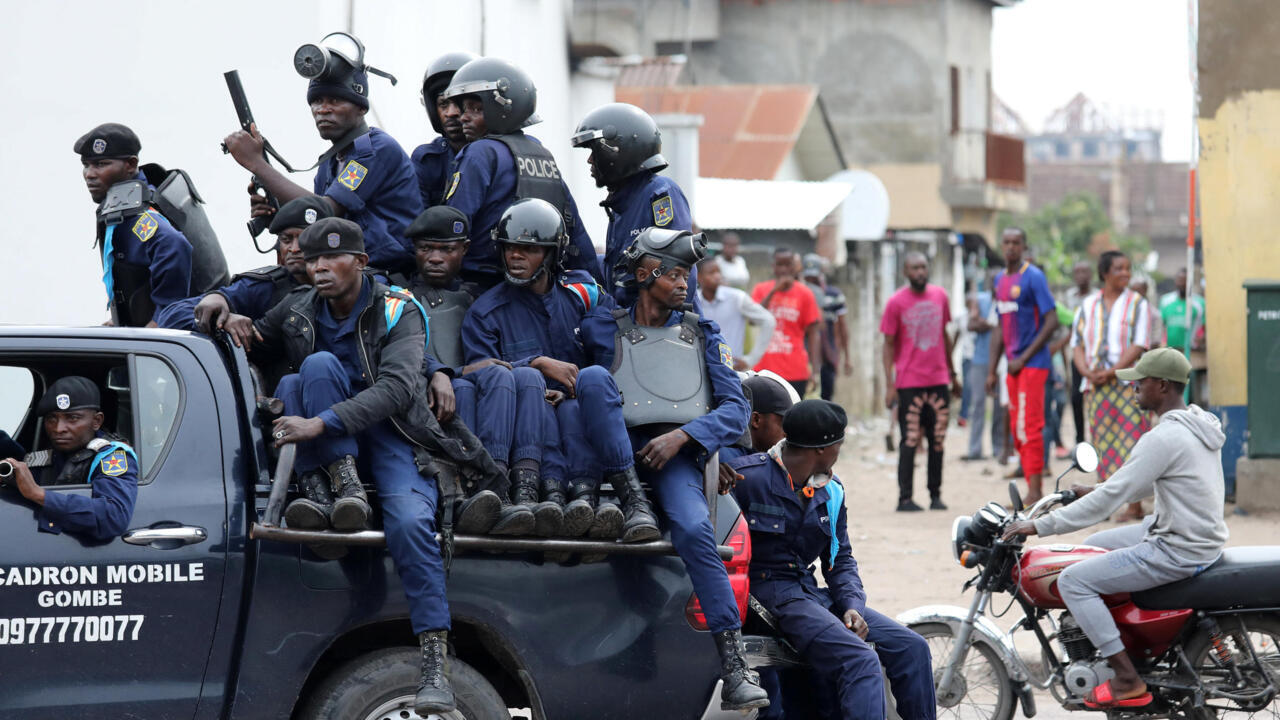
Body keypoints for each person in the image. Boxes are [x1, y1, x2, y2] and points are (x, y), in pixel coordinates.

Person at [249, 217, 460, 714]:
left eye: (331, 258)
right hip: (330, 450)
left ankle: (435, 660)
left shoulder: (397, 309)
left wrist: (319, 424)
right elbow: (249, 337)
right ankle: (341, 492)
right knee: (314, 369)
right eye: (313, 259)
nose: (319, 267)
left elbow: (398, 389)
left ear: (361, 263)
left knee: (411, 523)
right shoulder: (298, 307)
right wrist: (215, 307)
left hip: (392, 433)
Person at [575, 227, 769, 711]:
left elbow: (733, 409)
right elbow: (583, 388)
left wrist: (685, 437)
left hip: (675, 456)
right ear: (644, 276)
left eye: (688, 274)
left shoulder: (703, 334)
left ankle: (733, 665)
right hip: (609, 457)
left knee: (694, 529)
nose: (686, 283)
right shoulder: (601, 328)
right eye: (675, 274)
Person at [1003, 348, 1226, 710]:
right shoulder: (1197, 424)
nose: (1133, 386)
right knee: (1095, 544)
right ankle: (1126, 642)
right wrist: (1095, 488)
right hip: (1193, 536)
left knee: (1073, 580)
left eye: (1141, 380)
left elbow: (1110, 502)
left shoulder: (1163, 437)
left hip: (1178, 548)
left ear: (1163, 386)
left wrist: (1039, 525)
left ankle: (1127, 677)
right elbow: (1136, 484)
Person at [728, 400, 935, 720]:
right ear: (824, 450)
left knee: (912, 648)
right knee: (860, 661)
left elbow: (840, 561)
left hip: (809, 595)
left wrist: (852, 604)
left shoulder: (832, 491)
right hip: (768, 597)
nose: (839, 452)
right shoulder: (748, 479)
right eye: (839, 445)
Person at [462, 199, 620, 538]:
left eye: (529, 249)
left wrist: (578, 389)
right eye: (509, 248)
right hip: (524, 423)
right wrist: (534, 365)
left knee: (575, 411)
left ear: (551, 254)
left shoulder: (584, 292)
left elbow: (615, 349)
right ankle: (535, 500)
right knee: (538, 396)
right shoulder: (486, 312)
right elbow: (480, 375)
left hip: (584, 414)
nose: (515, 256)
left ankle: (588, 502)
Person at [224, 33, 420, 274]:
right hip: (345, 270)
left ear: (360, 107)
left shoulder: (374, 149)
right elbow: (314, 220)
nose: (323, 110)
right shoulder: (330, 162)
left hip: (387, 274)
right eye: (316, 101)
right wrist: (278, 211)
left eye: (335, 100)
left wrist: (259, 165)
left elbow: (323, 213)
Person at [397, 205, 539, 536]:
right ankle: (477, 488)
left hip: (480, 401)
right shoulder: (395, 295)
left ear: (465, 250)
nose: (434, 258)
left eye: (446, 249)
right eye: (425, 248)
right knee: (466, 387)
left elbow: (499, 363)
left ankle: (499, 486)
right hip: (420, 407)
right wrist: (444, 372)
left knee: (498, 381)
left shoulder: (480, 300)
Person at [442, 57, 601, 290]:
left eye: (476, 108)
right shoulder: (542, 153)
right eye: (464, 109)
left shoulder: (479, 153)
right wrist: (597, 289)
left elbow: (453, 225)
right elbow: (574, 231)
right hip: (542, 287)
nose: (463, 117)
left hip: (482, 288)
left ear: (502, 108)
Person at [572, 102, 696, 306]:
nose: (590, 161)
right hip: (631, 330)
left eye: (595, 152)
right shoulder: (621, 205)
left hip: (661, 330)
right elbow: (617, 273)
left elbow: (679, 270)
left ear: (616, 151)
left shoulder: (659, 193)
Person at [157, 196, 331, 339]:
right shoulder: (267, 286)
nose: (294, 248)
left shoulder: (350, 282)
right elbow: (172, 317)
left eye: (303, 240)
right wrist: (220, 320)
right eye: (286, 240)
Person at [77, 123, 197, 327]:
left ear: (131, 165)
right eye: (86, 165)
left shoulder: (141, 215)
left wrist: (159, 321)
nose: (89, 174)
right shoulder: (119, 206)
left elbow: (174, 244)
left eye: (101, 164)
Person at [0, 377, 138, 542]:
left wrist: (38, 494)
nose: (59, 429)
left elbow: (113, 517)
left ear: (97, 421)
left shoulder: (111, 457)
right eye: (52, 419)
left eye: (72, 418)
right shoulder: (43, 457)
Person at [1070, 250, 1152, 522]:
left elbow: (1139, 343)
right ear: (1104, 273)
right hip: (1095, 385)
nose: (1125, 274)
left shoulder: (1138, 304)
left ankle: (1134, 506)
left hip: (1128, 384)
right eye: (1118, 269)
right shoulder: (1087, 305)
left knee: (1133, 444)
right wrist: (1087, 371)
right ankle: (1103, 503)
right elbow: (1077, 345)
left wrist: (1112, 371)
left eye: (1127, 268)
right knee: (1102, 444)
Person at [881, 251, 959, 512]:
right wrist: (890, 385)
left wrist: (953, 374)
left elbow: (945, 337)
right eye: (914, 268)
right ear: (905, 271)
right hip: (909, 382)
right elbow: (888, 345)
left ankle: (935, 495)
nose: (920, 272)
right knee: (910, 440)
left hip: (938, 379)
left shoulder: (940, 296)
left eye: (923, 267)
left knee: (937, 441)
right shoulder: (895, 302)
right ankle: (905, 498)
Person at [986, 228, 1059, 506]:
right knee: (1018, 429)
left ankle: (1035, 492)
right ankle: (1031, 486)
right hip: (1013, 367)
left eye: (1016, 242)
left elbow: (1051, 321)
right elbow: (998, 328)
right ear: (1001, 245)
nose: (1011, 247)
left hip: (1033, 365)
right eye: (1006, 242)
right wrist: (993, 369)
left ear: (1024, 246)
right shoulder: (1000, 280)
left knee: (1030, 426)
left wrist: (1024, 358)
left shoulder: (1034, 277)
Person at [752, 248, 822, 397]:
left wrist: (815, 371)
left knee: (792, 417)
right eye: (779, 264)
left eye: (788, 264)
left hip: (795, 372)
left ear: (794, 266)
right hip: (764, 370)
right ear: (773, 266)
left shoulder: (805, 294)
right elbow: (753, 320)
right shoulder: (761, 290)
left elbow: (814, 334)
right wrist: (774, 291)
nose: (784, 269)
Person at [412, 51, 478, 208]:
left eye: (459, 103)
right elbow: (414, 219)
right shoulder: (428, 160)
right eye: (443, 104)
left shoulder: (497, 155)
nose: (451, 113)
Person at [697, 258, 776, 371]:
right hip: (701, 369)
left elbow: (768, 321)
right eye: (711, 273)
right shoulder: (693, 301)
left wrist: (751, 360)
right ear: (699, 277)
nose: (717, 276)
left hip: (732, 370)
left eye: (718, 272)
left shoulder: (737, 298)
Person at [801, 254, 852, 401]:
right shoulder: (801, 294)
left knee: (826, 394)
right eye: (808, 278)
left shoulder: (833, 295)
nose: (811, 281)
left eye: (814, 277)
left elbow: (842, 326)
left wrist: (846, 357)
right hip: (806, 352)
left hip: (827, 352)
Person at [963, 273, 1002, 461]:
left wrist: (986, 324)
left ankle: (998, 448)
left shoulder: (1008, 301)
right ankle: (975, 450)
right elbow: (971, 324)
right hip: (980, 361)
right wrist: (991, 325)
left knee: (999, 407)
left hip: (1003, 363)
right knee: (978, 404)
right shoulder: (981, 300)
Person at [1064, 260, 1093, 447]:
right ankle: (1080, 440)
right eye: (1077, 272)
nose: (1081, 275)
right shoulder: (1069, 297)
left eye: (1084, 271)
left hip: (1093, 355)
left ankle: (1096, 439)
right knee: (1075, 397)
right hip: (1075, 354)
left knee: (1092, 397)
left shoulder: (1096, 297)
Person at [1159, 267, 1205, 352]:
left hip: (1192, 352)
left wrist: (1201, 339)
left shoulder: (1200, 303)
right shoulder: (1165, 301)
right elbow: (1160, 326)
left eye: (1185, 281)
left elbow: (1206, 327)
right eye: (1180, 281)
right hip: (1169, 350)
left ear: (1191, 282)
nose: (1182, 284)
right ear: (1176, 282)